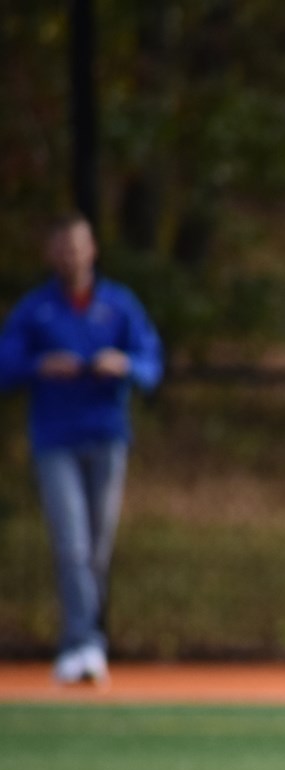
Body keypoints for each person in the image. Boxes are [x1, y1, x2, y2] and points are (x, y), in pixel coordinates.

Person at [0, 213, 163, 686]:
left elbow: (151, 361)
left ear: (92, 250)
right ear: (52, 254)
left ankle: (88, 640)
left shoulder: (118, 306)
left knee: (96, 549)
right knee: (71, 544)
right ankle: (82, 644)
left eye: (79, 247)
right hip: (55, 439)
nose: (72, 256)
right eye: (63, 248)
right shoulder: (37, 311)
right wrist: (38, 366)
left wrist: (125, 365)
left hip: (107, 434)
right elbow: (5, 362)